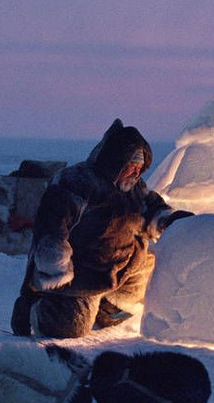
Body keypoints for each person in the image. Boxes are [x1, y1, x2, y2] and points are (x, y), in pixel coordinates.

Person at [10, 119, 192, 338]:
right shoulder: (77, 182)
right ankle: (35, 309)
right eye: (130, 167)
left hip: (124, 271)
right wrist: (54, 262)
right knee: (68, 328)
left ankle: (103, 311)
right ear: (116, 162)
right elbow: (52, 223)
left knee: (147, 285)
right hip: (82, 276)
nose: (135, 174)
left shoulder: (135, 188)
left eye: (139, 169)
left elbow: (152, 208)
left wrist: (171, 220)